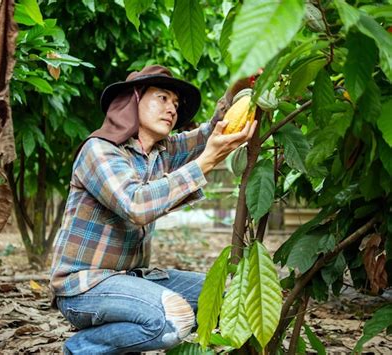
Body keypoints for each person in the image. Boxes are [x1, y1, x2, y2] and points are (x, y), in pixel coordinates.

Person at [50, 65, 257, 354]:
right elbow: (135, 205)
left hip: (134, 279)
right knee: (174, 318)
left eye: (175, 103)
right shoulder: (99, 150)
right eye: (162, 98)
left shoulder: (161, 152)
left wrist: (237, 88)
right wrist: (205, 163)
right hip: (83, 287)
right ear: (134, 100)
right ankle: (81, 349)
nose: (172, 108)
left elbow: (211, 133)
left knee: (229, 300)